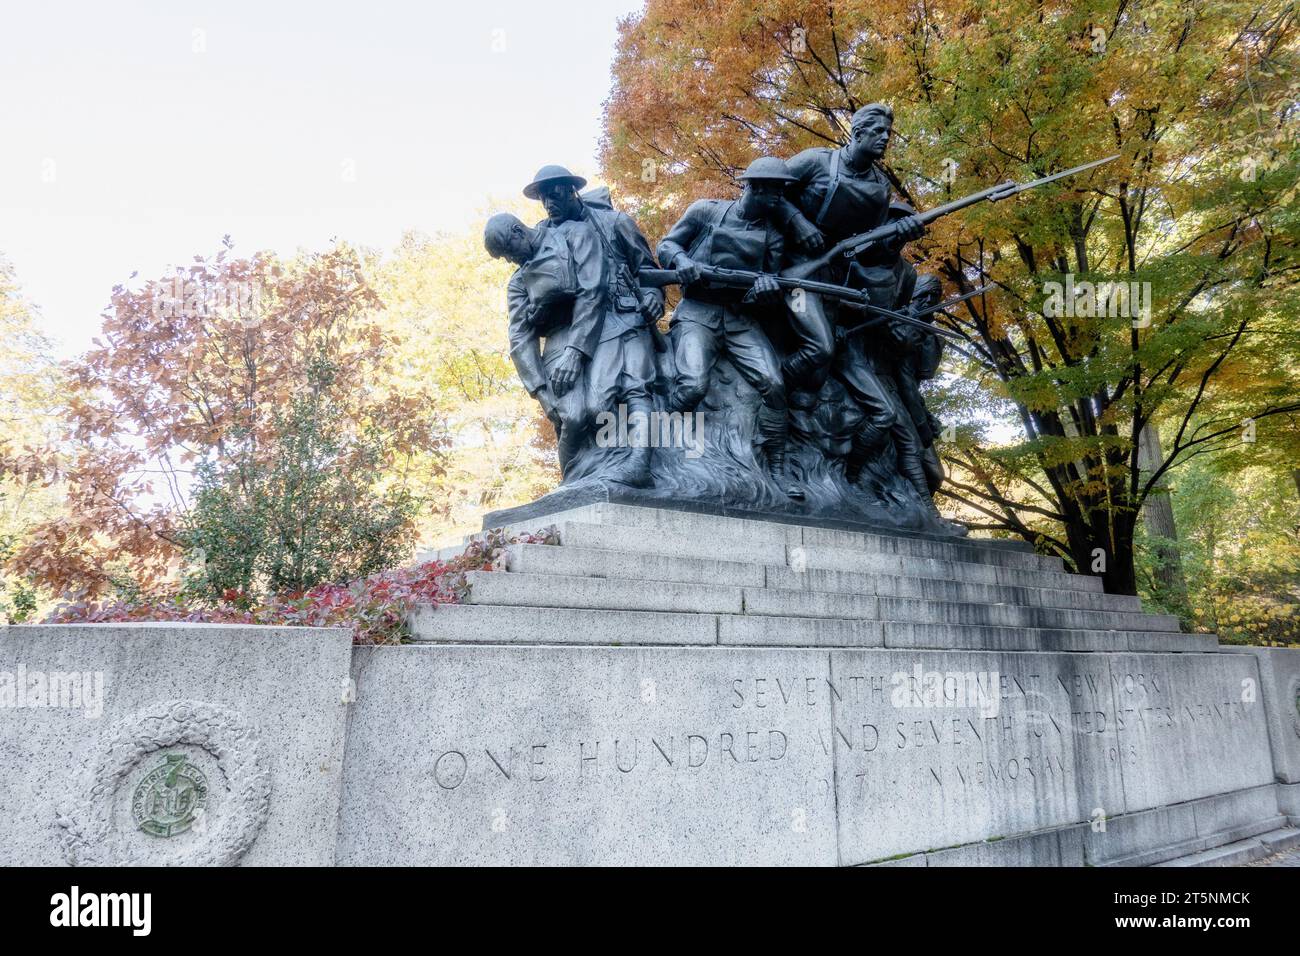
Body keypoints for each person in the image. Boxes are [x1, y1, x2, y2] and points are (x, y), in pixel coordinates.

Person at [655, 156, 798, 492]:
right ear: (756, 187)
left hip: (739, 318)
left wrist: (764, 292)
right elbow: (667, 245)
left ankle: (777, 468)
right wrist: (682, 261)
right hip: (697, 312)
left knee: (775, 384)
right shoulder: (705, 211)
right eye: (776, 191)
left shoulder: (773, 236)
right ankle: (660, 449)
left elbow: (772, 290)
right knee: (692, 384)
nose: (781, 199)